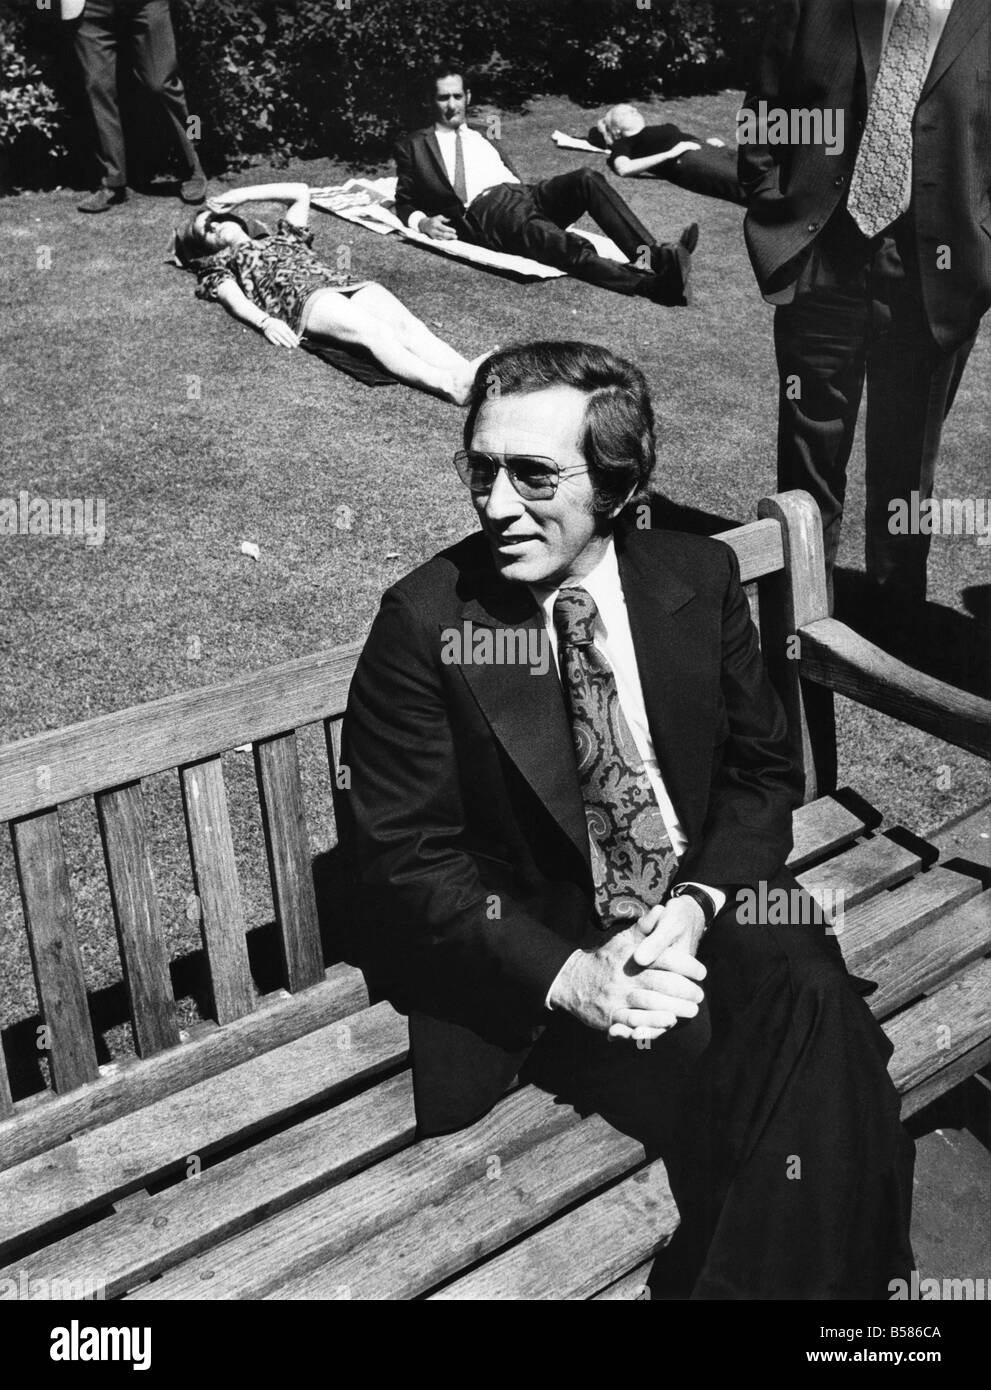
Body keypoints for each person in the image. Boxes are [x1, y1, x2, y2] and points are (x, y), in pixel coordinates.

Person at [341, 340, 915, 1299]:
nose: (492, 504)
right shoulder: (426, 620)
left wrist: (692, 906)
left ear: (615, 481)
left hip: (700, 906)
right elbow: (405, 859)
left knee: (811, 1004)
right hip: (544, 954)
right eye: (479, 470)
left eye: (531, 474)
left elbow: (758, 776)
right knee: (815, 1072)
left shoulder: (692, 578)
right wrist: (577, 981)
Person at [739, 0, 991, 612]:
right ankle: (799, 613)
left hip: (937, 272)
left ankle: (894, 621)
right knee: (808, 455)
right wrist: (771, 197)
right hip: (824, 256)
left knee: (908, 463)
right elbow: (766, 109)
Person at [395, 64, 699, 306]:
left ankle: (656, 257)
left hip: (524, 193)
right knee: (557, 242)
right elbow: (404, 200)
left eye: (457, 96)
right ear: (430, 101)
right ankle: (654, 286)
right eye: (443, 97)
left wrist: (527, 194)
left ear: (468, 97)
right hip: (486, 211)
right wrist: (421, 222)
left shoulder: (481, 132)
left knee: (586, 178)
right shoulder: (415, 145)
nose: (451, 105)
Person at [172, 183, 486, 405]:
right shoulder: (219, 264)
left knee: (409, 327)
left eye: (215, 219)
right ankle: (448, 386)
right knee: (374, 331)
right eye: (206, 231)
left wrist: (239, 196)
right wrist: (265, 322)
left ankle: (470, 375)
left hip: (343, 281)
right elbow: (232, 297)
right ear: (206, 248)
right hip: (304, 299)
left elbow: (300, 192)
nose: (215, 227)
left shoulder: (283, 237)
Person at [62, 0, 207, 213]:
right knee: (97, 88)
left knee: (163, 83)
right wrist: (43, 6)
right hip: (88, 8)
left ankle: (194, 165)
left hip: (147, 4)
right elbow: (41, 5)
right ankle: (112, 181)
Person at [588, 104, 744, 205]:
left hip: (708, 149)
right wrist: (669, 154)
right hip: (688, 159)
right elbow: (624, 168)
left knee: (758, 166)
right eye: (624, 112)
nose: (633, 110)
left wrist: (705, 141)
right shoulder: (623, 144)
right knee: (745, 181)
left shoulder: (654, 129)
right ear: (616, 129)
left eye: (632, 109)